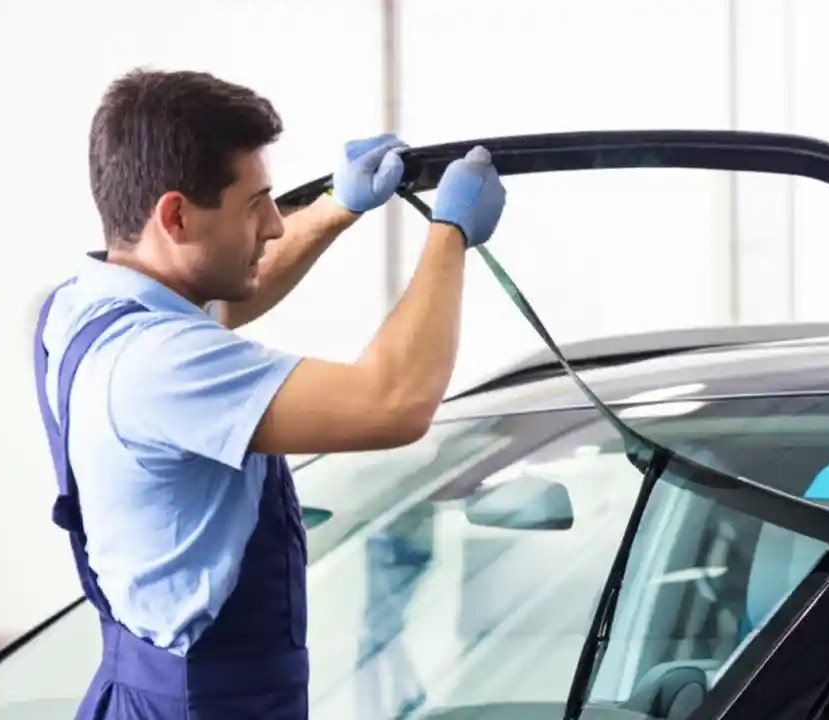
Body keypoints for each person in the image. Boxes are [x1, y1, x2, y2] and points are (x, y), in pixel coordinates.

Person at [30, 68, 506, 719]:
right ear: (175, 215)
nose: (276, 226)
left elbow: (219, 304)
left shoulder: (86, 307)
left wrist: (339, 206)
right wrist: (448, 235)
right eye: (255, 205)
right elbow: (394, 402)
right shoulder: (161, 367)